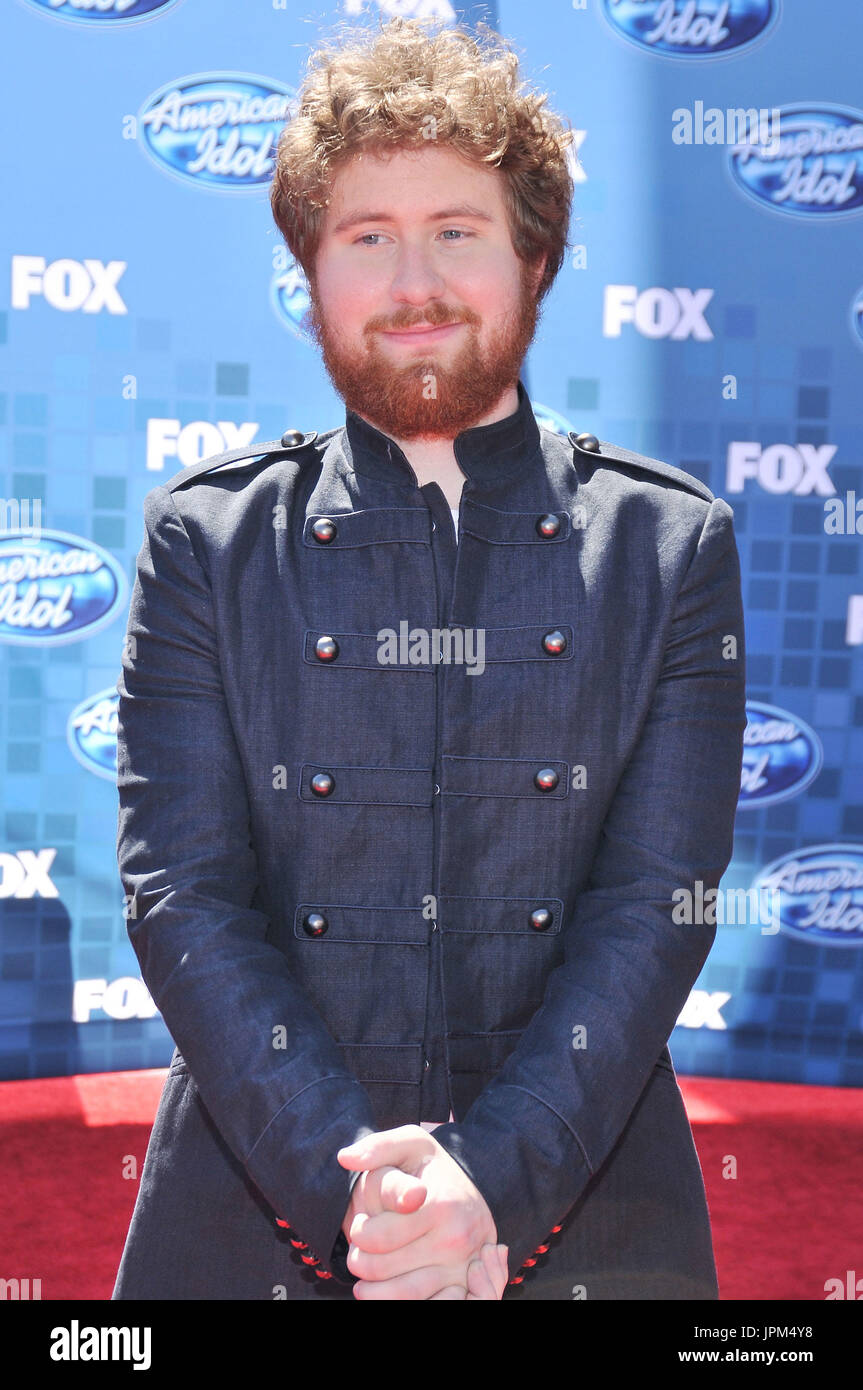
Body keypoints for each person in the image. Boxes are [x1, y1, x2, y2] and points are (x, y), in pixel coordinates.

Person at [112, 16, 746, 1301]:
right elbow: (181, 893)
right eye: (365, 237)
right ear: (310, 273)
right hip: (255, 1207)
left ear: (536, 259)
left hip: (588, 1201)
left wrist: (490, 1186)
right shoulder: (208, 539)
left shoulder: (668, 545)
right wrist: (365, 1195)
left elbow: (652, 906)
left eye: (456, 231)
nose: (414, 283)